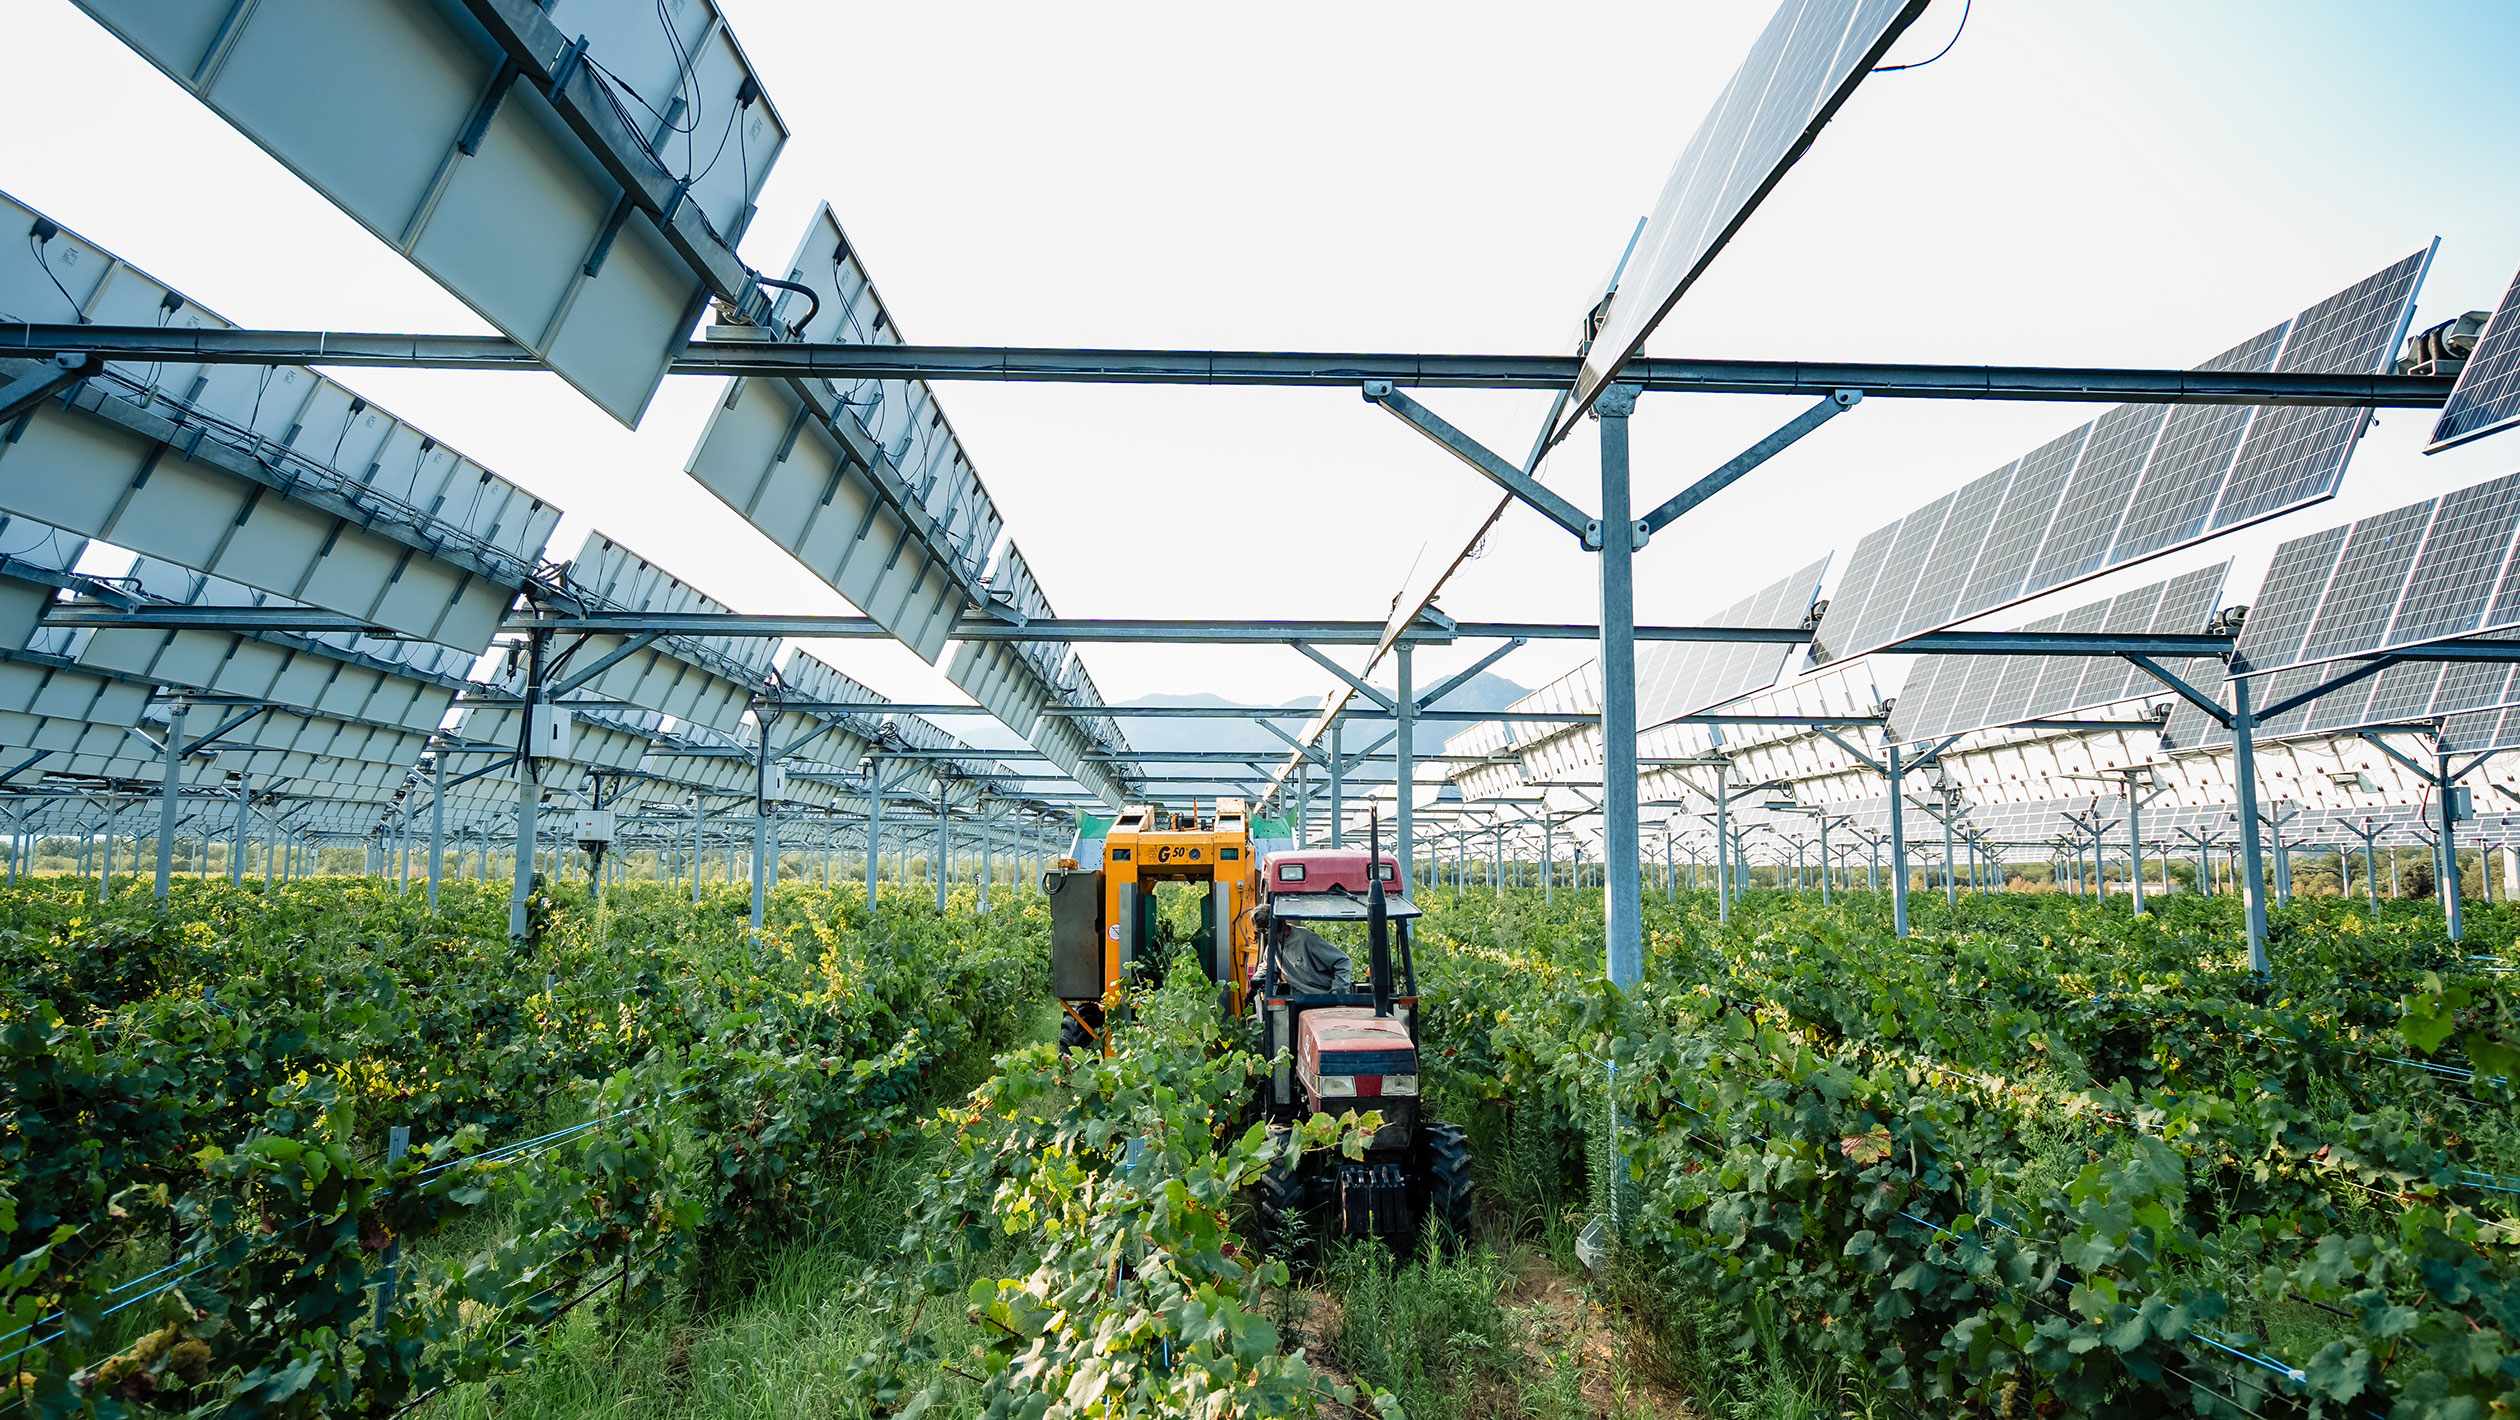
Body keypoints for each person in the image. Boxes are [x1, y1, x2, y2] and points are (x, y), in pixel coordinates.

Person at [1271, 916, 1354, 995]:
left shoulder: (1308, 939)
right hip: (1300, 999)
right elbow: (1267, 967)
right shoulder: (1272, 946)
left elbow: (1343, 961)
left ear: (1267, 930)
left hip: (1325, 997)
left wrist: (1338, 992)